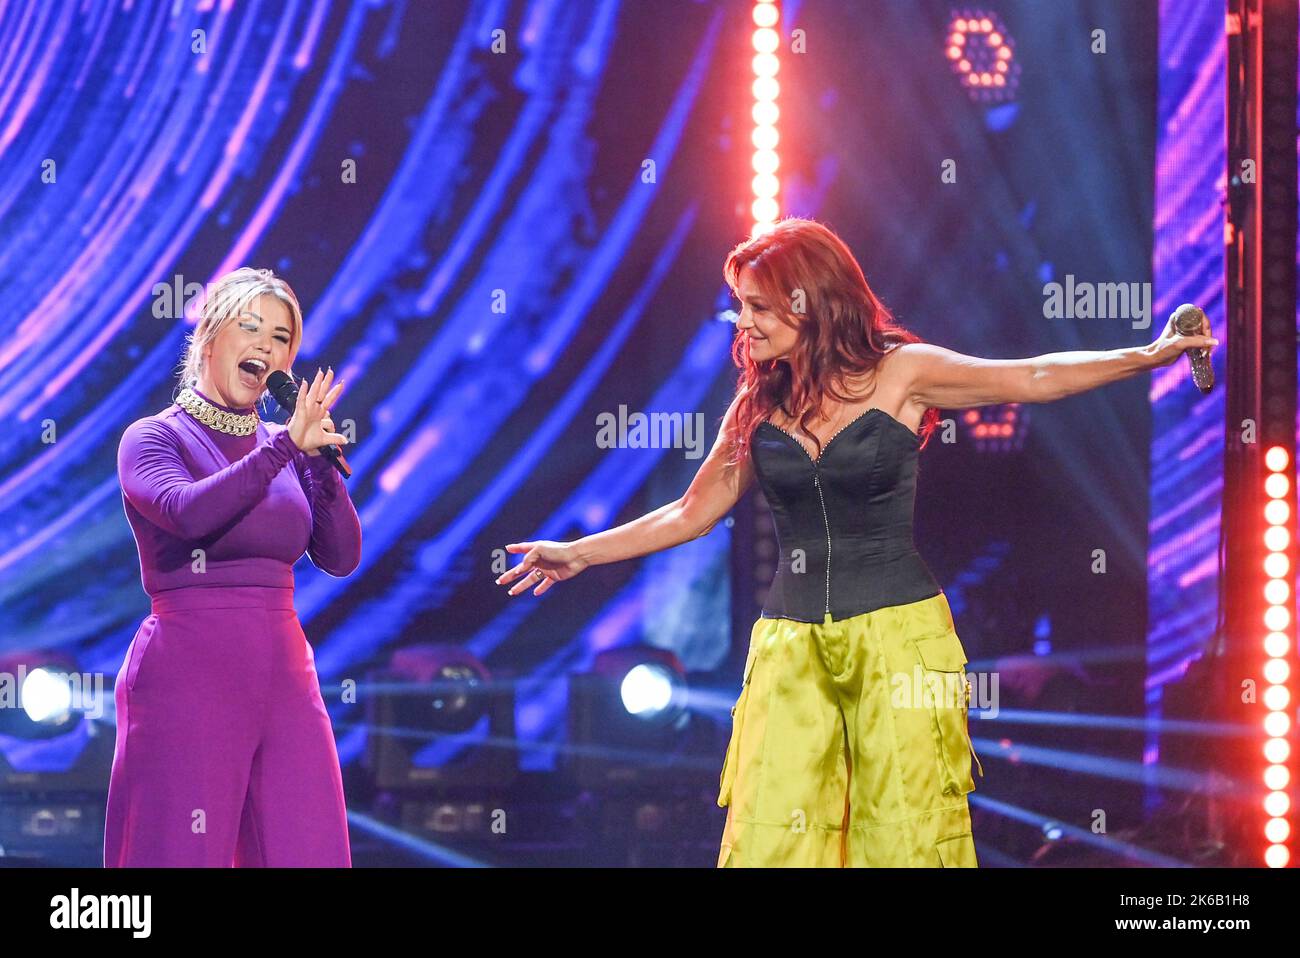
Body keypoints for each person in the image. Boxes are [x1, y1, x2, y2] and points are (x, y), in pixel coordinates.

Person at [494, 217, 1217, 867]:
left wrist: (1150, 355)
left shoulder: (903, 373)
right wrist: (579, 552)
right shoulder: (757, 404)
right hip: (789, 648)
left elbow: (1029, 378)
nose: (741, 322)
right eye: (740, 306)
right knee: (777, 835)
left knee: (900, 834)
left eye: (756, 305)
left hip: (897, 638)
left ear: (807, 300)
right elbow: (690, 512)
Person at [105, 267, 361, 867]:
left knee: (306, 848)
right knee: (177, 850)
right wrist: (283, 450)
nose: (266, 348)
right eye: (251, 328)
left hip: (285, 675)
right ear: (209, 339)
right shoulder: (152, 439)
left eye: (280, 338)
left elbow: (343, 557)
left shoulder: (288, 446)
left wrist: (321, 467)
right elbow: (188, 515)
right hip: (187, 670)